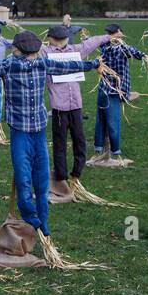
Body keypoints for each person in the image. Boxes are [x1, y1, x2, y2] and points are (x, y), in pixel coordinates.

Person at [0, 31, 101, 240]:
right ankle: (31, 217)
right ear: (18, 51)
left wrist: (91, 64)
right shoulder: (9, 65)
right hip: (20, 133)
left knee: (41, 182)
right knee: (23, 180)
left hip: (39, 131)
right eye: (30, 54)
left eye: (35, 53)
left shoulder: (43, 63)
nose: (34, 57)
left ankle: (44, 222)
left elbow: (67, 66)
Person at [41, 24, 109, 189]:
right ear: (50, 39)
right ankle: (61, 175)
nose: (59, 43)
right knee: (60, 142)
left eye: (62, 40)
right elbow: (31, 50)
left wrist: (109, 37)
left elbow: (90, 43)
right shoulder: (45, 52)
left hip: (76, 105)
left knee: (80, 140)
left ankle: (76, 173)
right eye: (56, 40)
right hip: (59, 107)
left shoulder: (74, 50)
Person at [91, 24, 147, 166]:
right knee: (112, 122)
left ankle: (100, 149)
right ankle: (114, 153)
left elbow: (134, 52)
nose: (114, 35)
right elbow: (135, 53)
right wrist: (144, 56)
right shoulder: (120, 47)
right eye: (113, 33)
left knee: (102, 121)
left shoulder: (106, 47)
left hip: (104, 90)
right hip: (113, 91)